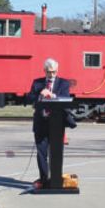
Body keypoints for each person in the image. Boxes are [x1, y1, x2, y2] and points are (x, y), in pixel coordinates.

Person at [26, 58, 72, 188]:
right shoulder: (37, 83)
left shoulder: (63, 83)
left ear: (57, 71)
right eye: (49, 72)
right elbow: (29, 98)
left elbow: (66, 99)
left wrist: (53, 97)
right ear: (44, 71)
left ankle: (56, 180)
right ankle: (44, 179)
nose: (51, 75)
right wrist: (40, 95)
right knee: (41, 153)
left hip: (56, 124)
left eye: (54, 72)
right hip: (41, 123)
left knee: (56, 154)